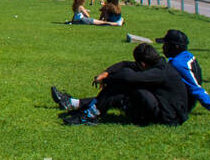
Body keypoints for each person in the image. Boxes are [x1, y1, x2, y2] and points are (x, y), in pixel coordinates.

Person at [51, 42, 191, 126]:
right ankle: (80, 107)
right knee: (122, 86)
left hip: (167, 116)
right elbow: (125, 64)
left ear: (142, 63)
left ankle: (87, 113)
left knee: (125, 85)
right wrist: (106, 73)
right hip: (162, 107)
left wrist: (106, 80)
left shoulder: (159, 73)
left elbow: (127, 77)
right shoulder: (155, 64)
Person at [155, 28, 210, 118]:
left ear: (175, 47)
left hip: (182, 103)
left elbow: (196, 89)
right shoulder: (186, 55)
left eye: (166, 44)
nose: (163, 47)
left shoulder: (178, 64)